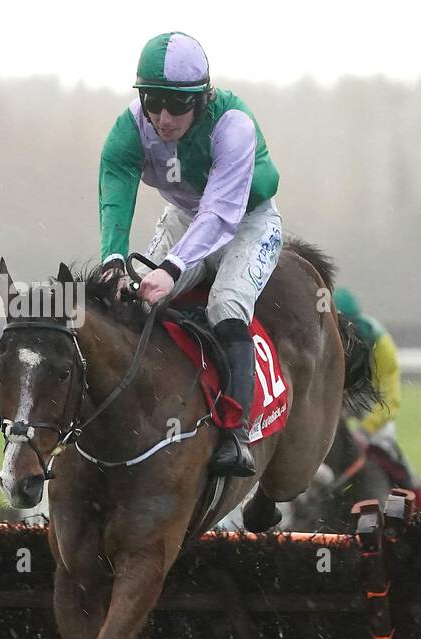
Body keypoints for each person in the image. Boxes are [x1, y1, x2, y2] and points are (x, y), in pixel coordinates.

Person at [97, 31, 283, 477]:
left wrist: (172, 266)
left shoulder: (233, 125)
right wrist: (113, 259)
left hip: (247, 221)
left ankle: (236, 434)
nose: (163, 117)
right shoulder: (130, 127)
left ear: (203, 98)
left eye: (177, 105)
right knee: (140, 297)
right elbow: (115, 186)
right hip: (184, 214)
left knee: (225, 304)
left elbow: (220, 214)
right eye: (153, 101)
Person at [331, 287, 419, 485]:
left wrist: (365, 431)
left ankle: (414, 493)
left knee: (383, 444)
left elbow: (390, 399)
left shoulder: (380, 343)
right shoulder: (320, 339)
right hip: (339, 397)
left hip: (369, 398)